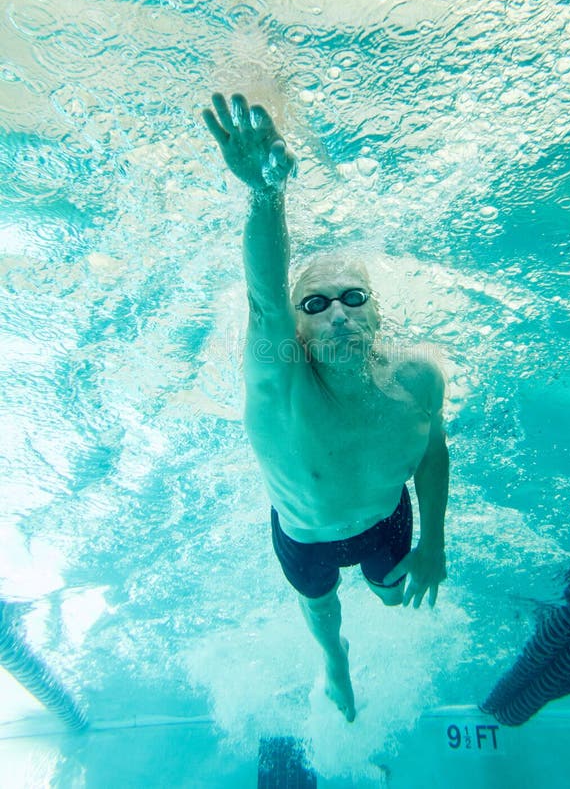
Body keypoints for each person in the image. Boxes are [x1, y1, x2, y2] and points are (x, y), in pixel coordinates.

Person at [202, 93, 449, 722]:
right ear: (298, 329)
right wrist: (265, 195)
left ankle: (381, 595)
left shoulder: (417, 378)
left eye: (352, 297)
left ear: (375, 312)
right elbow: (264, 295)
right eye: (315, 304)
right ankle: (335, 665)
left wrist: (436, 544)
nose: (337, 312)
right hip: (305, 539)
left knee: (394, 600)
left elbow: (432, 452)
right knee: (322, 611)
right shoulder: (282, 383)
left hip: (386, 522)